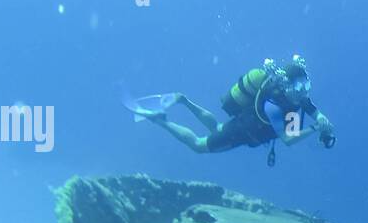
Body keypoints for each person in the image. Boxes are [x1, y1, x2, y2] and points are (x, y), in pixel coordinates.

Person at [127, 54, 335, 166]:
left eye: (306, 86)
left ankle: (184, 101)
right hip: (243, 132)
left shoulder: (298, 99)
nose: (303, 92)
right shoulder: (273, 105)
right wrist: (315, 128)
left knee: (217, 127)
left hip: (244, 121)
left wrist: (322, 120)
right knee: (199, 145)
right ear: (287, 85)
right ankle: (160, 120)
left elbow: (314, 110)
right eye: (299, 87)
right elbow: (288, 139)